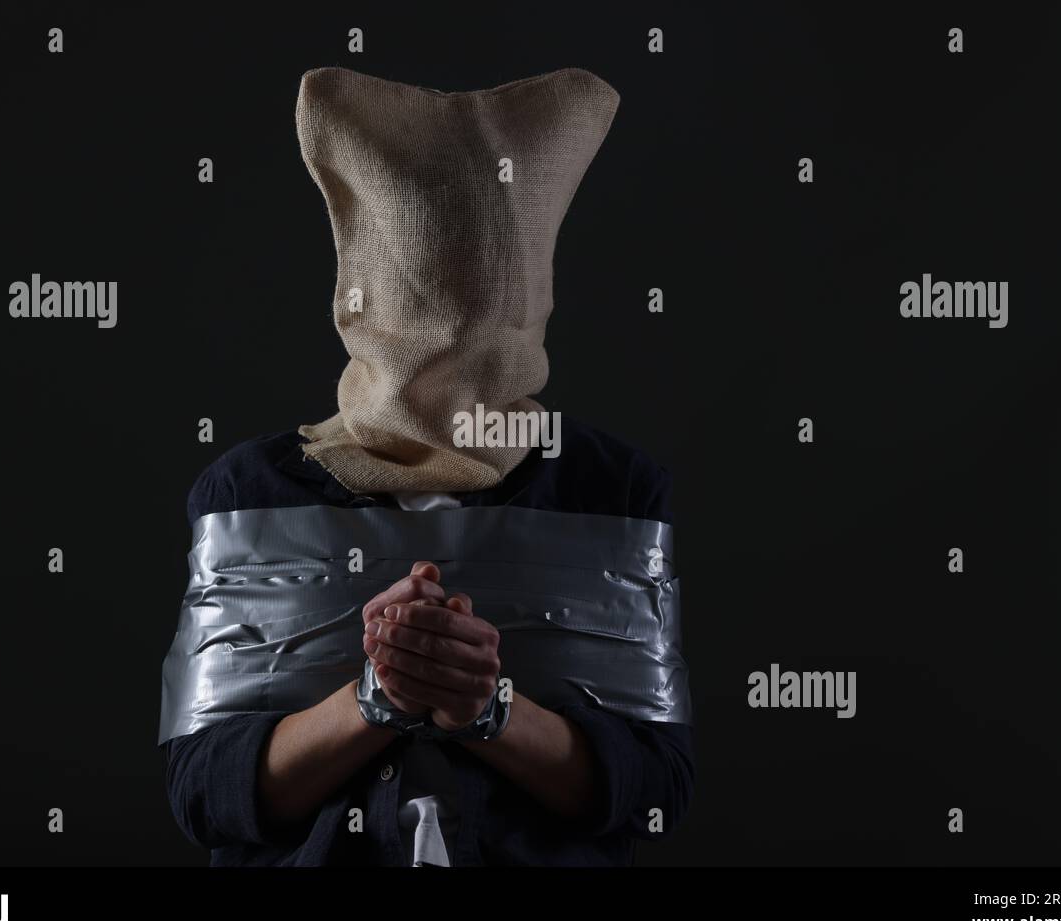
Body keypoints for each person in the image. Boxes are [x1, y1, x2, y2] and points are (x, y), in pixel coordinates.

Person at [162, 66, 693, 865]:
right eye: (424, 269)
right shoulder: (249, 493)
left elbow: (655, 789)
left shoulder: (610, 490)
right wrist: (376, 698)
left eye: (482, 269)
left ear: (530, 279)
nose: (451, 314)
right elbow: (202, 792)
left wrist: (487, 709)